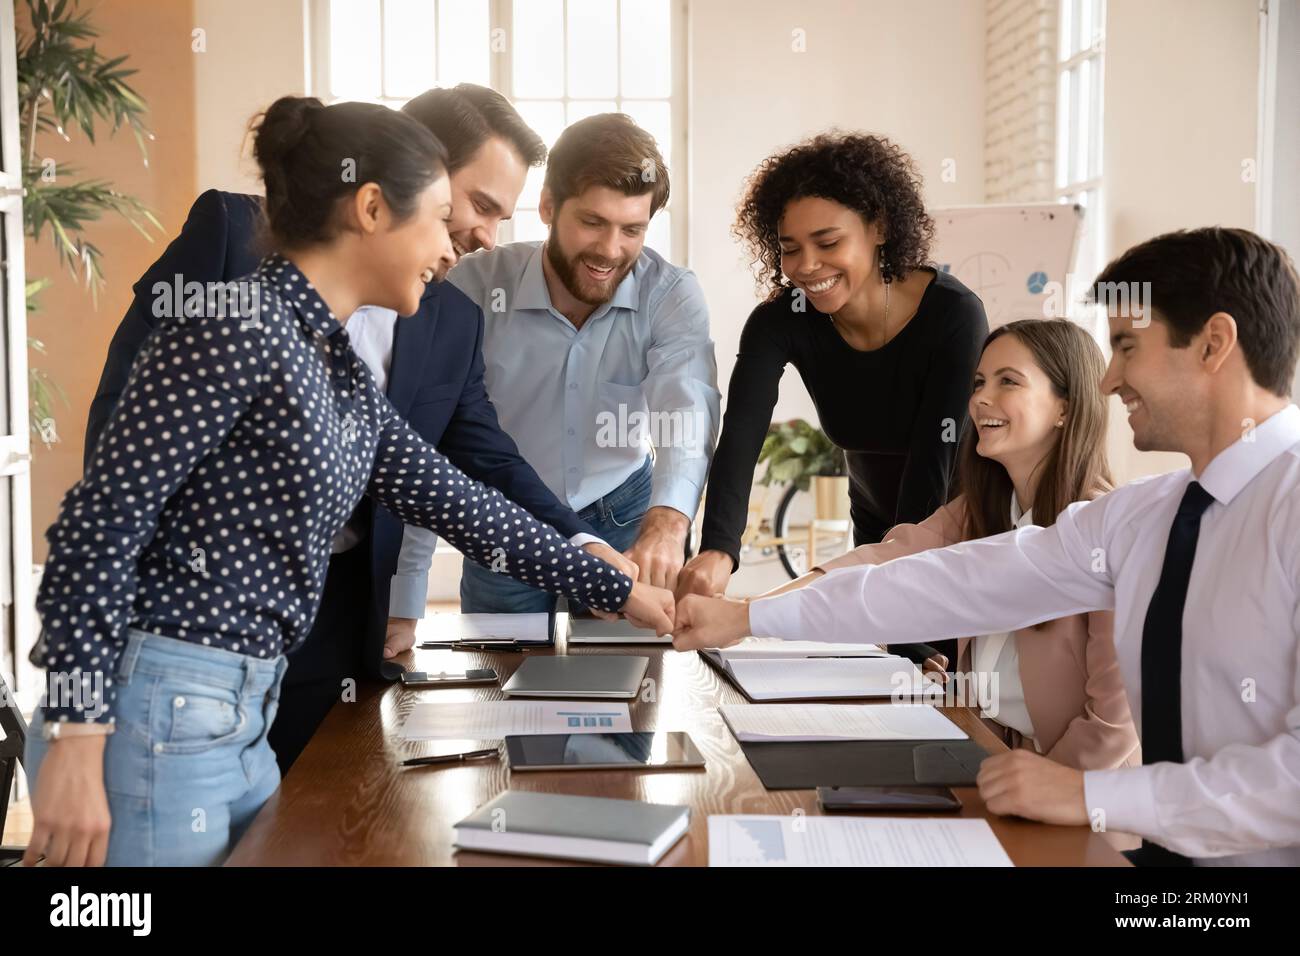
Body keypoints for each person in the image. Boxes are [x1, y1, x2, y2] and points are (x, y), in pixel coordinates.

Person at [23, 96, 672, 867]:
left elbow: (459, 502)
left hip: (238, 717)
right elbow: (100, 524)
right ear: (371, 209)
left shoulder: (334, 367)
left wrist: (619, 590)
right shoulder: (234, 323)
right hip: (158, 708)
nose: (451, 250)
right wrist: (75, 733)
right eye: (439, 219)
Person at [673, 227, 1300, 866]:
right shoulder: (1143, 516)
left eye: (1128, 347)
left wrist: (1094, 795)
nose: (1109, 380)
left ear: (1214, 345)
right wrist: (752, 617)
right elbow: (948, 581)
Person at [760, 319, 1138, 768]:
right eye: (979, 382)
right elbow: (887, 562)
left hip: (1078, 799)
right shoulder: (979, 510)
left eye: (1008, 382)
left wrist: (1044, 787)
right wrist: (748, 613)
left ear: (1065, 408)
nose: (980, 398)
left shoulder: (1110, 532)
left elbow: (1116, 727)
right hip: (993, 760)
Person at [675, 132, 988, 670]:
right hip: (871, 518)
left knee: (946, 685)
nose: (806, 265)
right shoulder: (780, 321)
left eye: (827, 242)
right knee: (886, 683)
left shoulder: (953, 316)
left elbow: (934, 461)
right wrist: (719, 548)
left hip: (955, 525)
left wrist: (909, 619)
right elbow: (742, 435)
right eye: (789, 247)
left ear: (880, 229)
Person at [441, 112, 721, 611]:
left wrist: (668, 520)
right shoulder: (475, 286)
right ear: (548, 206)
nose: (610, 250)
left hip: (627, 516)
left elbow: (686, 411)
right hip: (510, 524)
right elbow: (430, 430)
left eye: (632, 229)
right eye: (592, 222)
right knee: (503, 679)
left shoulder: (671, 294)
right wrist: (402, 594)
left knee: (637, 680)